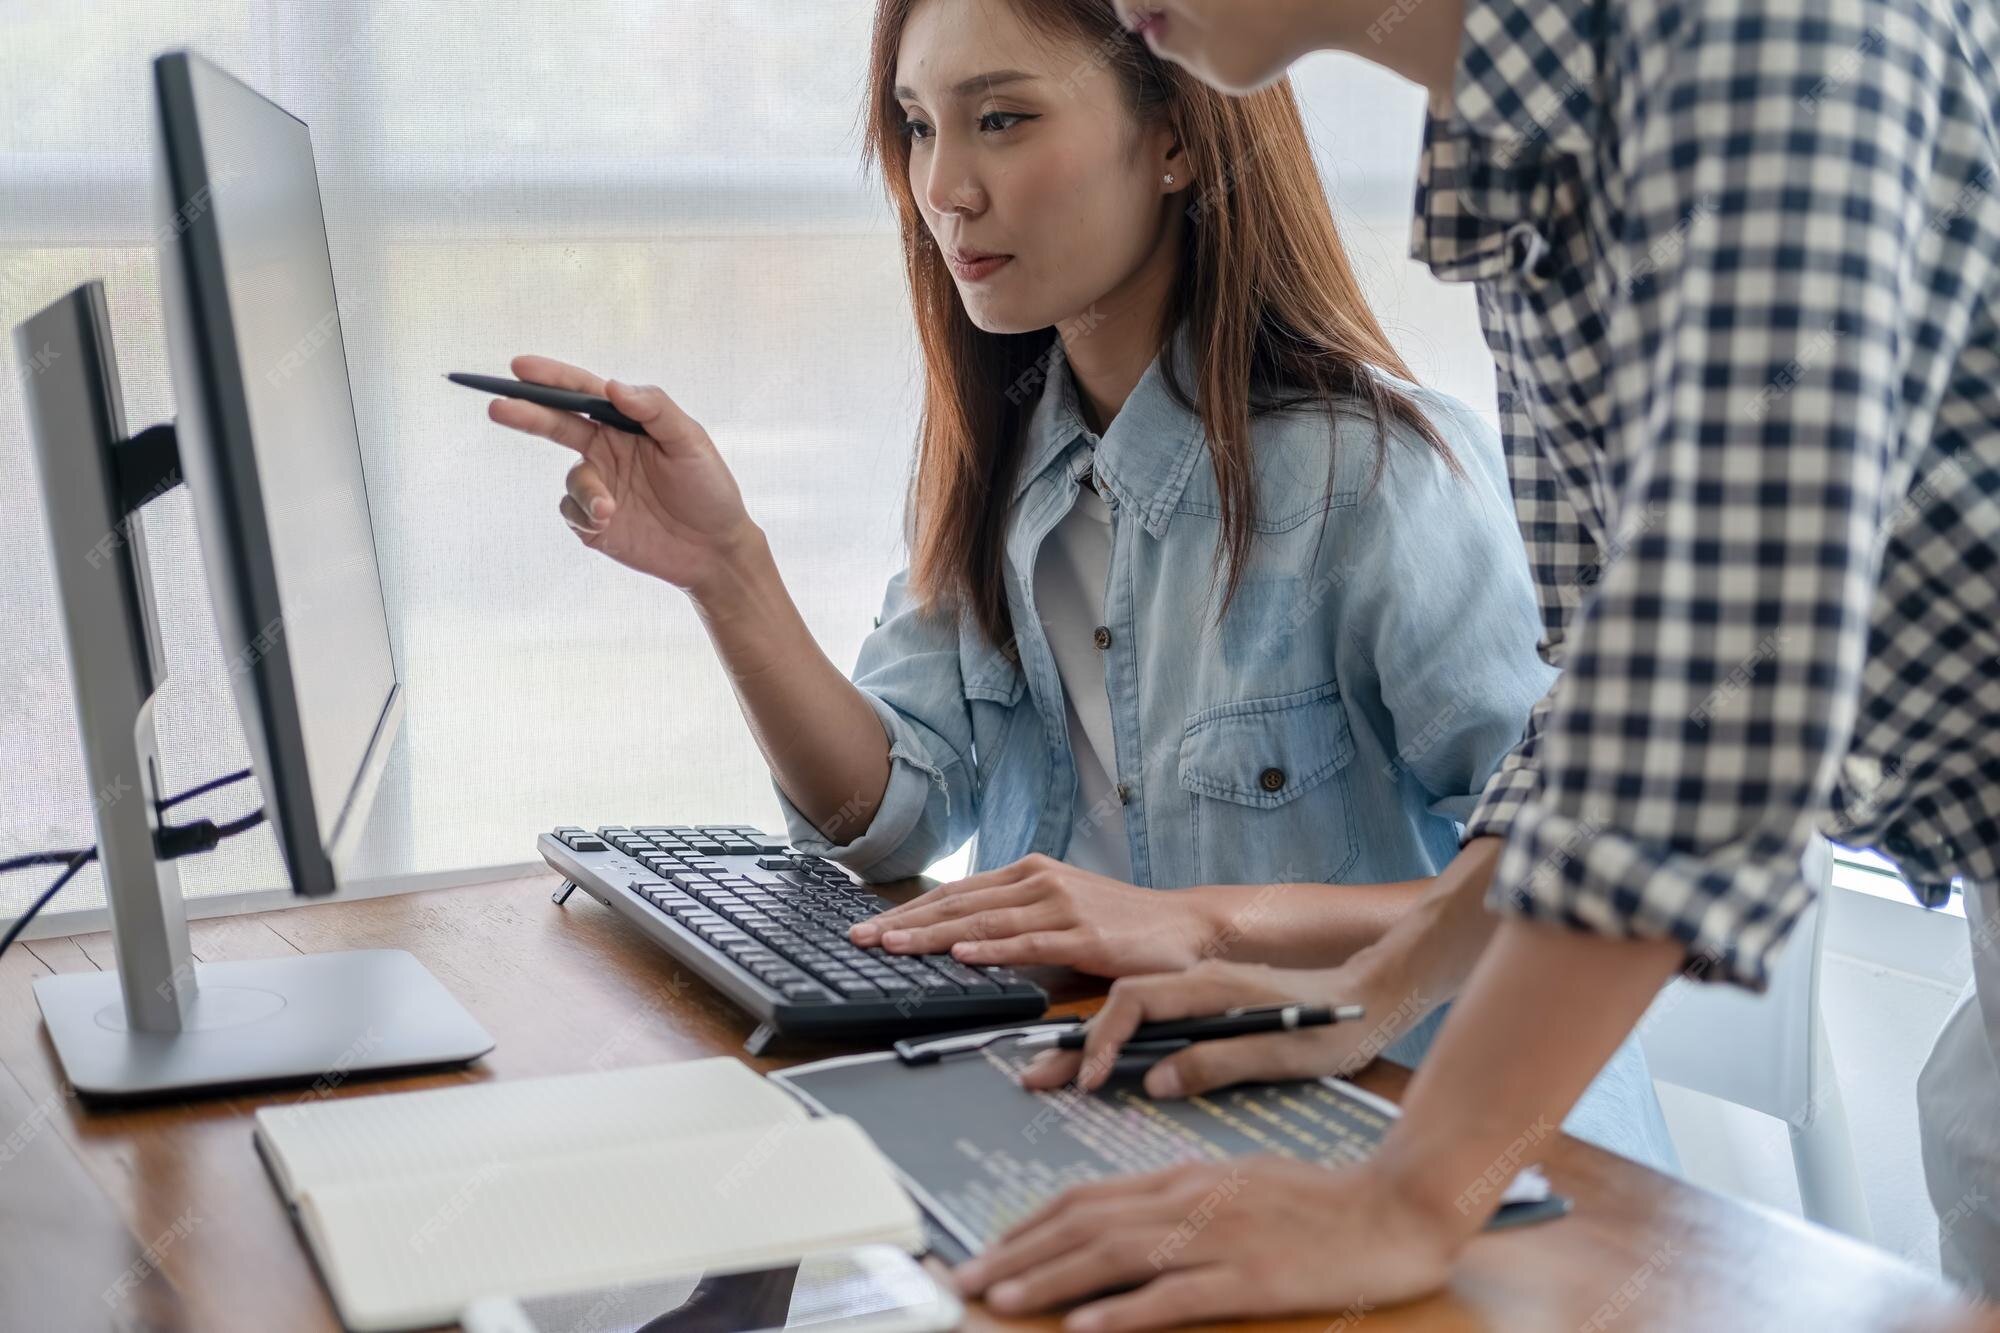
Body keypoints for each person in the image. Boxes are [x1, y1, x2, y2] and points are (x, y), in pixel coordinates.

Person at [480, 0, 1676, 1166]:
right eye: (915, 125)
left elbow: (1571, 870)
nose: (943, 188)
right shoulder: (1003, 460)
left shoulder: (1377, 478)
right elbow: (888, 817)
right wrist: (726, 569)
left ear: (1171, 137)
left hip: (1432, 1149)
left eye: (999, 120)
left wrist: (1199, 923)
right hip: (1128, 1112)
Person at [951, 0, 2000, 1327]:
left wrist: (1408, 1195)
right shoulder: (1539, 143)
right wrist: (1371, 984)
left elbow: (1719, 674)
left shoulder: (1771, 34)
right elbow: (1622, 690)